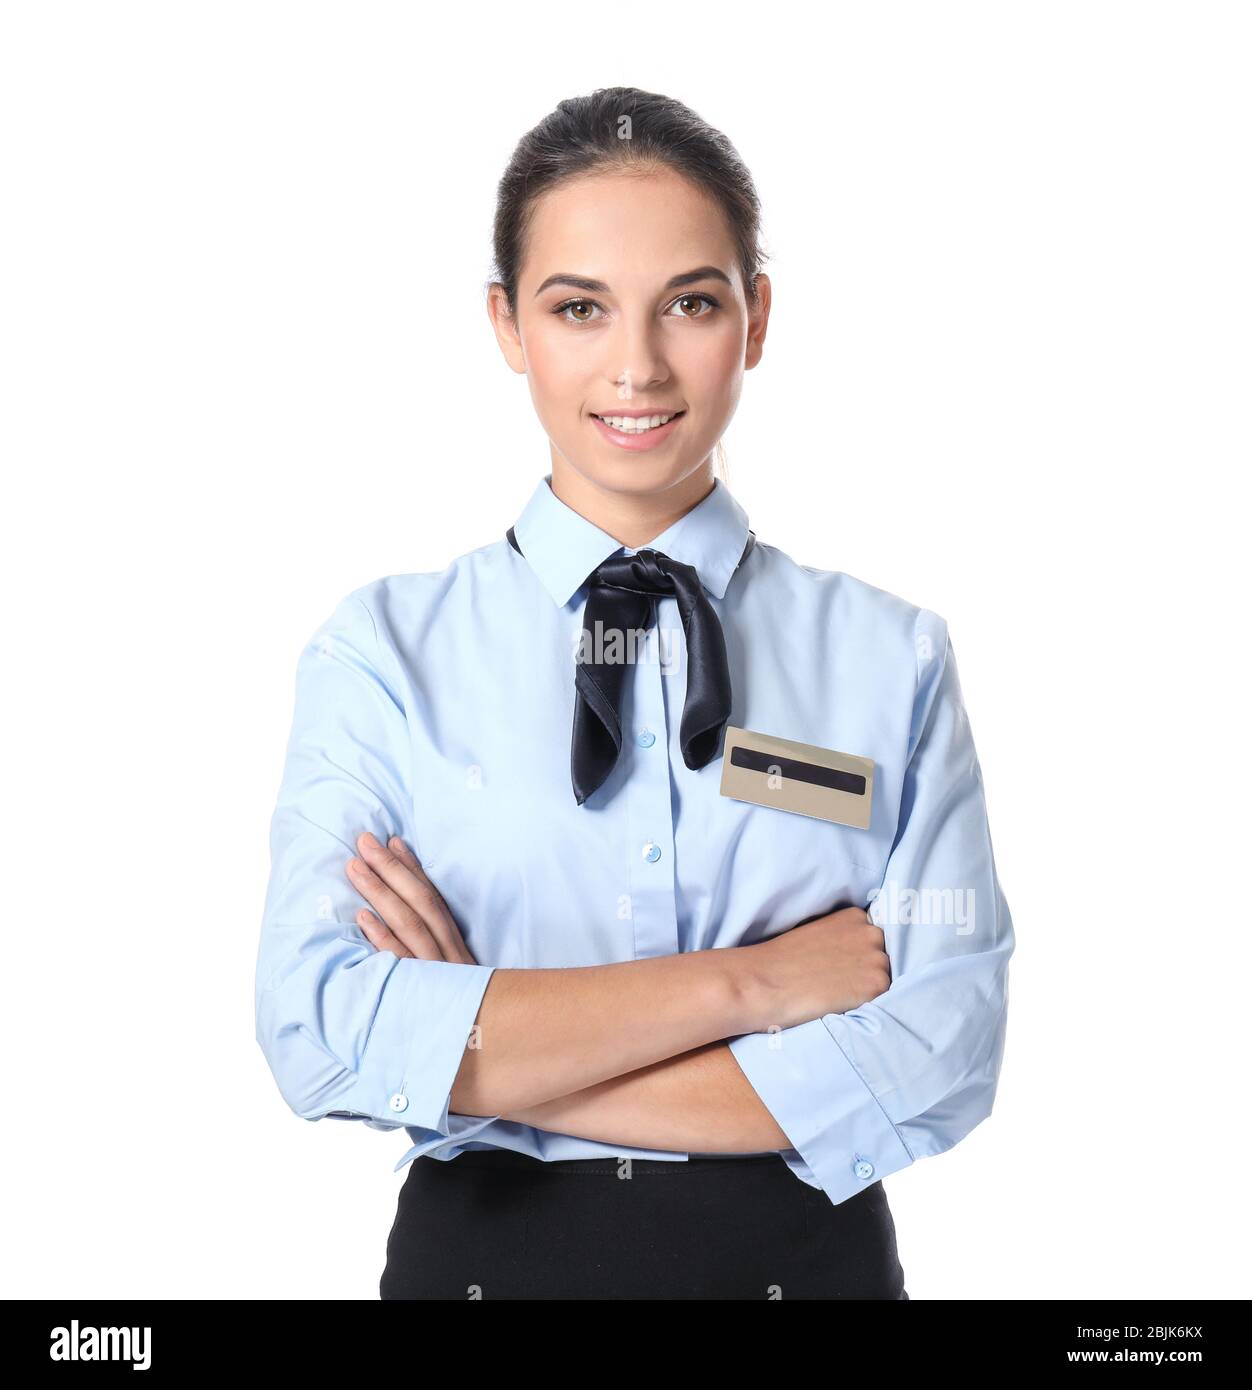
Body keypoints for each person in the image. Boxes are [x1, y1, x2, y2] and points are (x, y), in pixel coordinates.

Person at [254, 86, 1015, 1301]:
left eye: (691, 304)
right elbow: (321, 1028)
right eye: (577, 308)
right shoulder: (383, 656)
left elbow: (941, 1046)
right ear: (507, 323)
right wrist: (749, 985)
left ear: (755, 318)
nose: (637, 366)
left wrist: (478, 1048)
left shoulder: (890, 658)